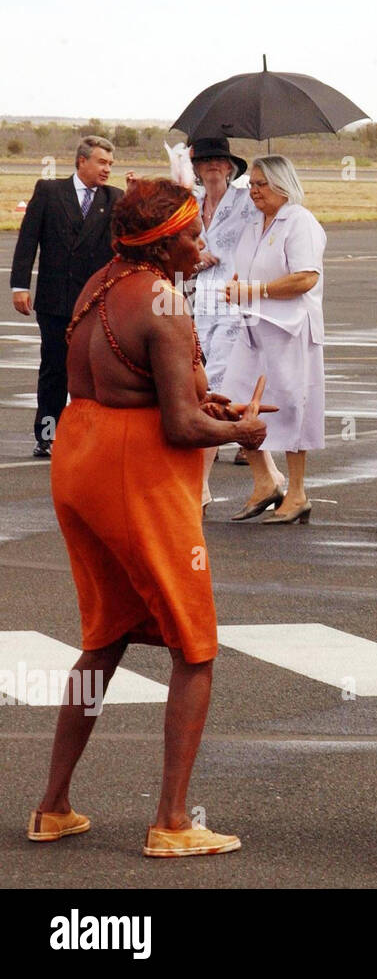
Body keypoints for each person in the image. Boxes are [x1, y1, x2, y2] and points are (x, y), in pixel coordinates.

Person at [29, 177, 266, 855]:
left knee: (104, 636)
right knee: (196, 647)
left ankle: (53, 805)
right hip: (137, 472)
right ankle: (170, 820)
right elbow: (182, 426)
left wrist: (206, 402)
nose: (202, 247)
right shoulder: (163, 300)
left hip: (81, 458)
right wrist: (240, 433)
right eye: (192, 236)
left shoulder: (101, 282)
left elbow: (136, 383)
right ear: (162, 244)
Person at [222, 155, 326, 525]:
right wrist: (237, 286)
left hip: (291, 331)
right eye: (251, 184)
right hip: (253, 329)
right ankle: (265, 481)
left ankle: (297, 493)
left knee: (292, 407)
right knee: (237, 403)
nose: (253, 191)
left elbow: (305, 278)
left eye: (261, 184)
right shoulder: (254, 224)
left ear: (283, 184)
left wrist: (256, 289)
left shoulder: (301, 223)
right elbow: (245, 268)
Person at [11, 136, 123, 457]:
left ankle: (88, 434)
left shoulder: (114, 198)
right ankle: (47, 434)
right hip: (55, 301)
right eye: (102, 162)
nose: (107, 169)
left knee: (91, 372)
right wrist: (20, 286)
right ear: (82, 161)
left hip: (94, 303)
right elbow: (28, 240)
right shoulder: (48, 192)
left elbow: (130, 235)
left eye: (110, 164)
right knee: (54, 369)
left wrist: (136, 194)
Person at [190, 137, 257, 508]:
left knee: (213, 382)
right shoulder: (193, 204)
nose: (214, 166)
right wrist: (198, 257)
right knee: (199, 377)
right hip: (202, 301)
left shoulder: (246, 202)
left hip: (235, 300)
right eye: (206, 160)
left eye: (220, 160)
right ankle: (267, 471)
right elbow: (182, 245)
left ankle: (200, 484)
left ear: (231, 167)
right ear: (197, 168)